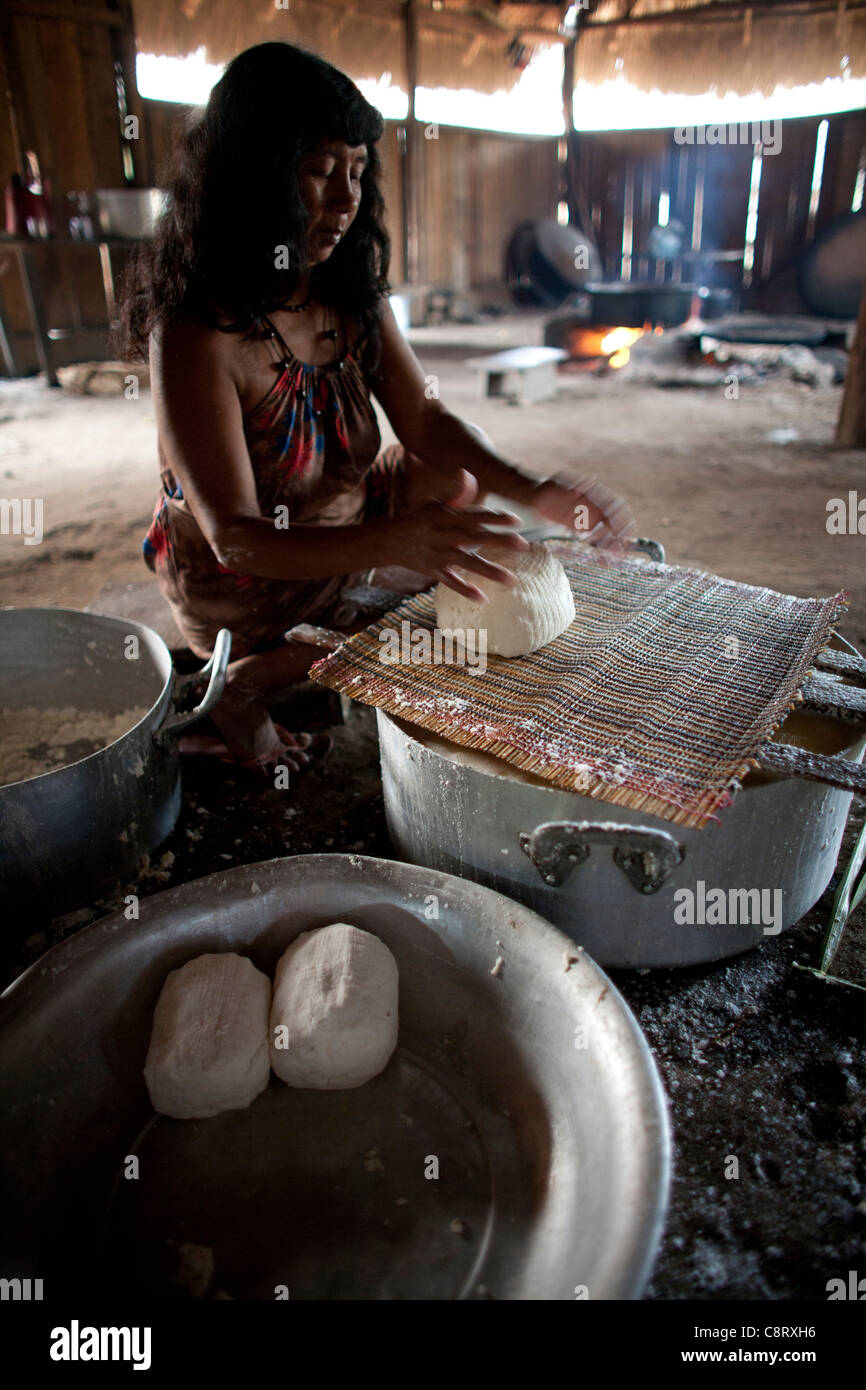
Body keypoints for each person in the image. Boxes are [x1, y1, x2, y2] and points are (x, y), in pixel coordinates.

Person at [117, 42, 633, 777]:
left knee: (451, 481)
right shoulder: (198, 332)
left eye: (357, 173)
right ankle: (245, 685)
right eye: (321, 171)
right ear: (255, 173)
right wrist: (400, 545)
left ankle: (354, 608)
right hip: (248, 577)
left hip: (343, 523)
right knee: (425, 584)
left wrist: (536, 489)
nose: (344, 200)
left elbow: (427, 423)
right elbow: (236, 538)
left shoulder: (348, 294)